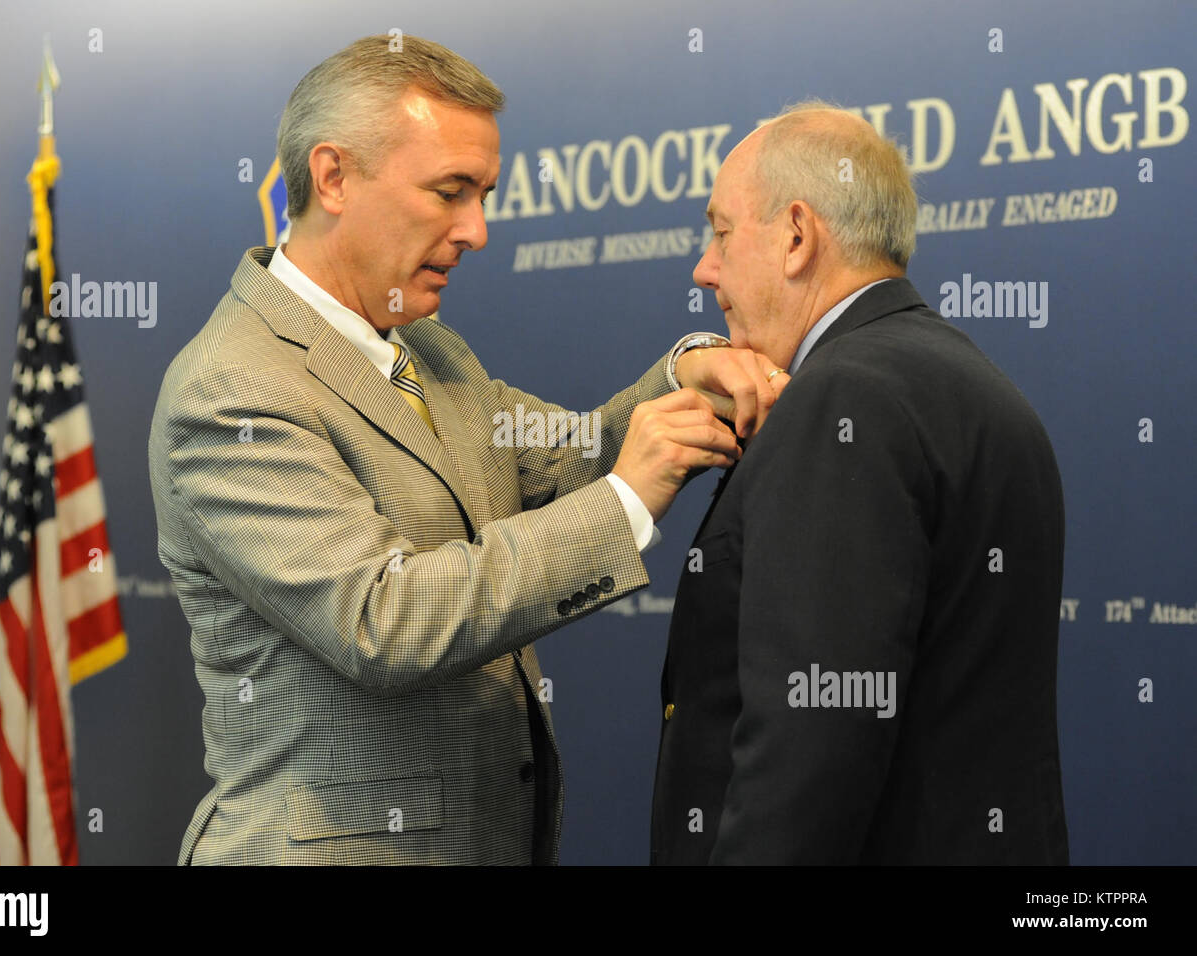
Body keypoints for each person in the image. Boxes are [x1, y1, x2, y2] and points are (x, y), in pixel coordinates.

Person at [148, 34, 781, 865]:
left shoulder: (429, 348)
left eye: (483, 194)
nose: (477, 230)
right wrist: (627, 501)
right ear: (333, 177)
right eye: (451, 193)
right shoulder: (230, 391)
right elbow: (383, 622)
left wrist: (681, 373)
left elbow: (566, 456)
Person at [650, 101, 1070, 865]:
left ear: (798, 236)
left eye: (719, 231)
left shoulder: (840, 399)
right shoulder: (978, 385)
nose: (703, 268)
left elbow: (806, 754)